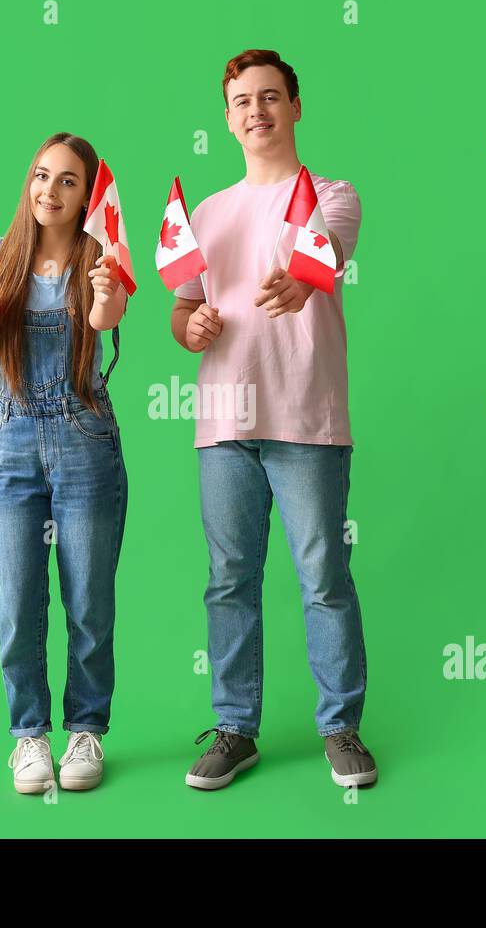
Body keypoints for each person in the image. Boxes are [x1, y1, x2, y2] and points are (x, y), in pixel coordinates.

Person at [170, 50, 374, 790]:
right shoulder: (207, 213)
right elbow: (183, 306)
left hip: (306, 419)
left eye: (269, 97)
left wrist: (299, 283)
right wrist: (189, 327)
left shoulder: (331, 193)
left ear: (293, 106)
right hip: (224, 421)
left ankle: (341, 728)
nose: (255, 111)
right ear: (227, 118)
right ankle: (235, 729)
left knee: (322, 575)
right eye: (241, 101)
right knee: (229, 578)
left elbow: (324, 258)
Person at [0, 132, 129, 794]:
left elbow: (109, 314)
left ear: (88, 195)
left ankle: (86, 729)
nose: (49, 191)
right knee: (17, 599)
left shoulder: (99, 261)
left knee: (88, 595)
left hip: (84, 441)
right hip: (11, 445)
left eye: (67, 181)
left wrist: (107, 291)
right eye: (40, 175)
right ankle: (29, 737)